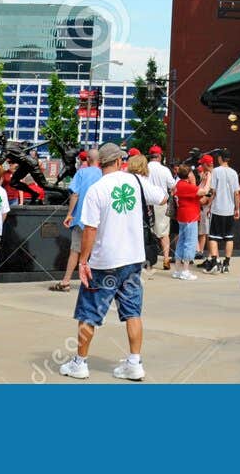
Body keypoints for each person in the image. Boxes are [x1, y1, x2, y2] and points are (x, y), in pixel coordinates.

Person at [59, 143, 167, 381]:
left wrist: (83, 261)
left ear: (99, 164)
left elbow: (90, 229)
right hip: (132, 260)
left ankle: (80, 363)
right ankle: (134, 363)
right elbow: (163, 198)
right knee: (132, 312)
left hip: (103, 261)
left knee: (89, 314)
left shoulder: (97, 189)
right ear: (120, 162)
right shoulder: (136, 182)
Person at [53, 147, 102, 292]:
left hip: (81, 218)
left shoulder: (81, 173)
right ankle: (93, 281)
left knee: (75, 250)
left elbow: (74, 194)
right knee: (95, 252)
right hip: (98, 219)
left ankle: (66, 281)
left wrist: (69, 213)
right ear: (100, 161)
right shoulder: (103, 175)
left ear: (87, 159)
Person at [200, 150, 240, 273]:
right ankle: (226, 264)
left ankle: (214, 263)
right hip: (229, 209)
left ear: (221, 158)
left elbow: (213, 191)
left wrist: (209, 203)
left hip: (218, 209)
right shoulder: (234, 173)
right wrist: (237, 208)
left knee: (213, 237)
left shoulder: (216, 171)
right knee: (229, 237)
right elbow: (236, 193)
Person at [147, 145, 176, 268]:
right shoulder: (164, 170)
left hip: (147, 203)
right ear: (159, 156)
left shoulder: (145, 168)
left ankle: (147, 260)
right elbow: (173, 186)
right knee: (164, 233)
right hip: (162, 203)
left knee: (148, 232)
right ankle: (165, 259)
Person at [172, 162, 201, 280]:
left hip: (182, 216)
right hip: (190, 216)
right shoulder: (186, 186)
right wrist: (208, 179)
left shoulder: (179, 184)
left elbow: (197, 192)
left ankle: (178, 270)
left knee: (181, 242)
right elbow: (202, 191)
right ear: (188, 174)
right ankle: (185, 270)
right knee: (190, 242)